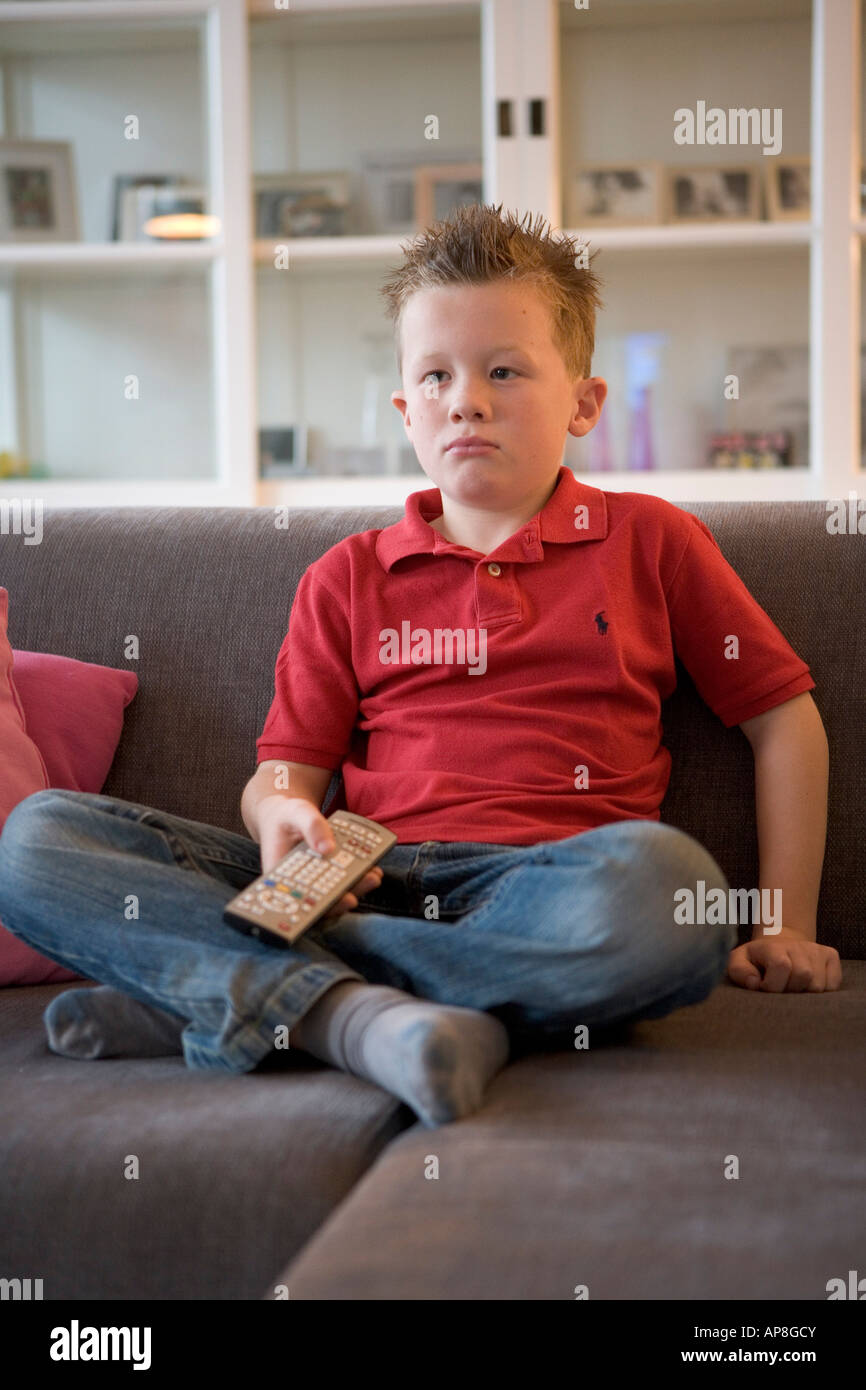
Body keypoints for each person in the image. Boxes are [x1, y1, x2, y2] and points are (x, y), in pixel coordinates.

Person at [0, 203, 839, 1131]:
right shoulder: (346, 576)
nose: (465, 399)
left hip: (543, 888)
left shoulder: (653, 541)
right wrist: (282, 816)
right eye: (435, 375)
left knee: (672, 897)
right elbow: (286, 776)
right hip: (360, 874)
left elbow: (784, 717)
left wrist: (784, 926)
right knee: (37, 840)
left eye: (504, 371)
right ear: (406, 407)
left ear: (585, 403)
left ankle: (254, 996)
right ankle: (362, 1016)